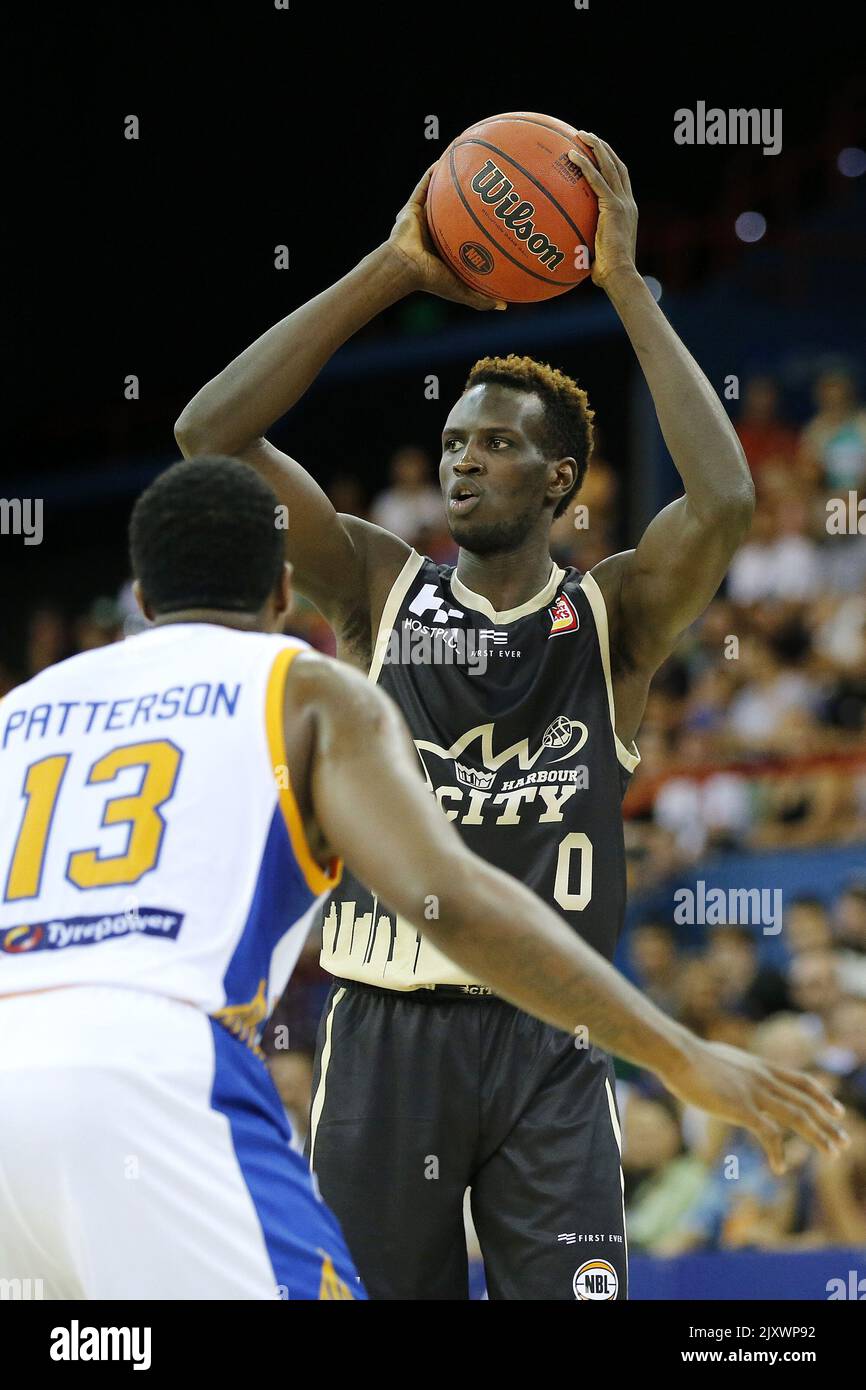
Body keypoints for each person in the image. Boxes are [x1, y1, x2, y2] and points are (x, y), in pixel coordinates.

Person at [174, 133, 844, 1300]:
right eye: (453, 443)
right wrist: (392, 267)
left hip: (550, 1040)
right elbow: (206, 438)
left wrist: (625, 286)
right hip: (384, 1037)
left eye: (496, 444)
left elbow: (725, 500)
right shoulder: (378, 586)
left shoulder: (616, 615)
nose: (463, 462)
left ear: (559, 482)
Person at [0, 457, 845, 1300]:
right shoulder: (308, 689)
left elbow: (203, 429)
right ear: (283, 597)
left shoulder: (19, 712)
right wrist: (680, 1054)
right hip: (161, 1061)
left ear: (141, 602)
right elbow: (460, 906)